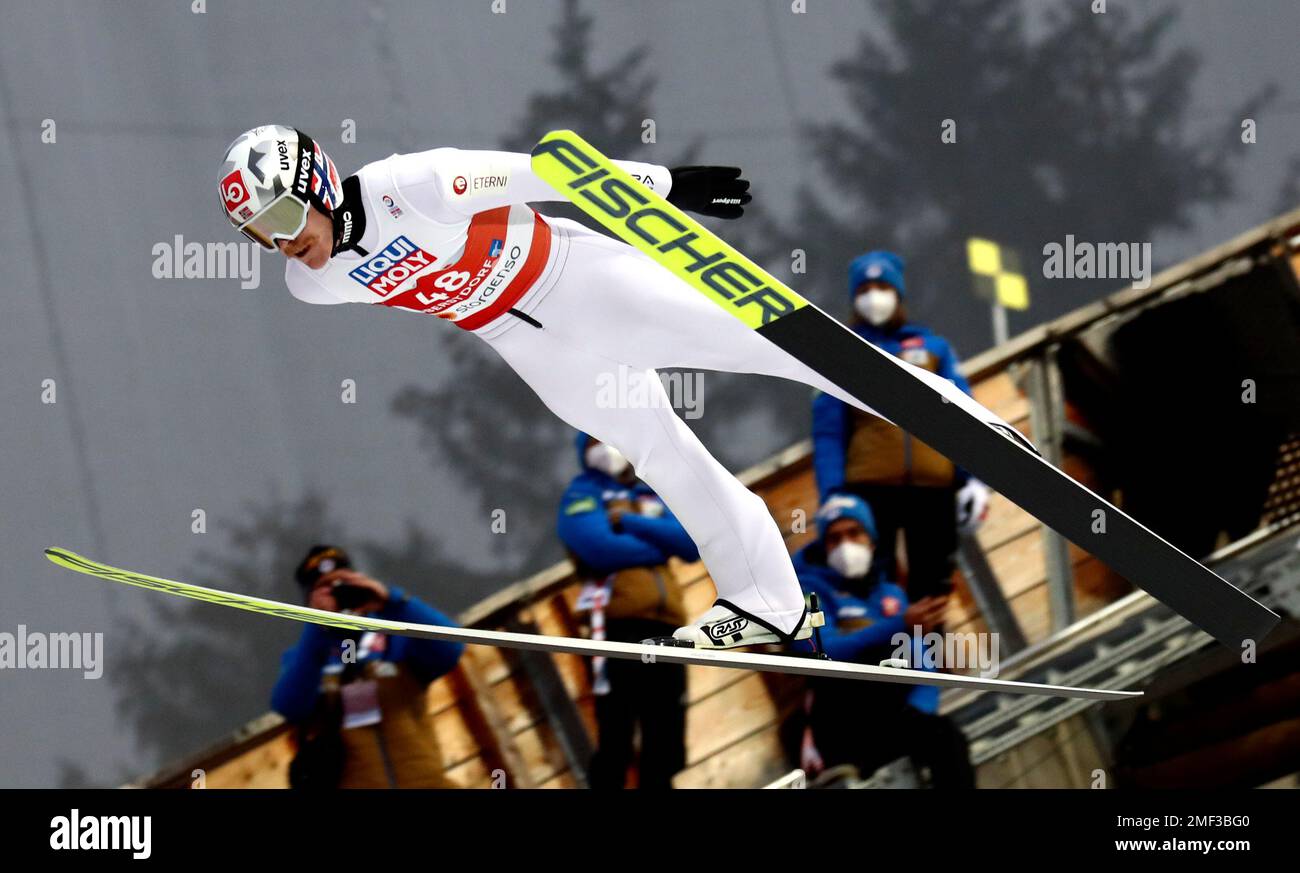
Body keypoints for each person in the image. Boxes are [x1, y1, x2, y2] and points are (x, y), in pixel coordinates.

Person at [218, 126, 1015, 652]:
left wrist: (668, 186)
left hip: (581, 279)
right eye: (261, 232)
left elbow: (546, 171)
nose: (284, 240)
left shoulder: (409, 184)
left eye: (285, 213)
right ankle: (765, 594)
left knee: (776, 341)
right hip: (529, 345)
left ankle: (971, 424)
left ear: (316, 179)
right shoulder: (310, 283)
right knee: (663, 456)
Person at [812, 251, 991, 602]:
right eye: (864, 289)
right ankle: (883, 656)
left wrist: (973, 478)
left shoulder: (933, 348)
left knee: (934, 584)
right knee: (877, 587)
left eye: (882, 286)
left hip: (934, 487)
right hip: (868, 492)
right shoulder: (841, 352)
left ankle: (930, 656)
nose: (873, 296)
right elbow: (828, 433)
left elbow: (964, 413)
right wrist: (834, 494)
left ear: (897, 293)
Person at [790, 495, 975, 788]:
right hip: (842, 719)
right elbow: (823, 653)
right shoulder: (806, 593)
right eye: (834, 538)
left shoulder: (890, 593)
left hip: (893, 715)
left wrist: (919, 713)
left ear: (872, 539)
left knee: (945, 737)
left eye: (854, 533)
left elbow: (921, 659)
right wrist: (897, 625)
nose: (845, 545)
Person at [558, 433, 698, 788]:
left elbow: (691, 542)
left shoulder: (646, 492)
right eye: (592, 441)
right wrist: (660, 545)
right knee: (617, 736)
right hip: (617, 630)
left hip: (667, 631)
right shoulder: (581, 495)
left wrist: (632, 522)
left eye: (606, 435)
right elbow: (601, 549)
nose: (604, 446)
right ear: (583, 452)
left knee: (665, 735)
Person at [271, 545, 465, 789]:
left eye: (343, 584)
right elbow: (290, 706)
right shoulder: (306, 657)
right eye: (324, 588)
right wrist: (318, 626)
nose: (336, 593)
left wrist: (391, 601)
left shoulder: (395, 638)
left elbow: (452, 648)